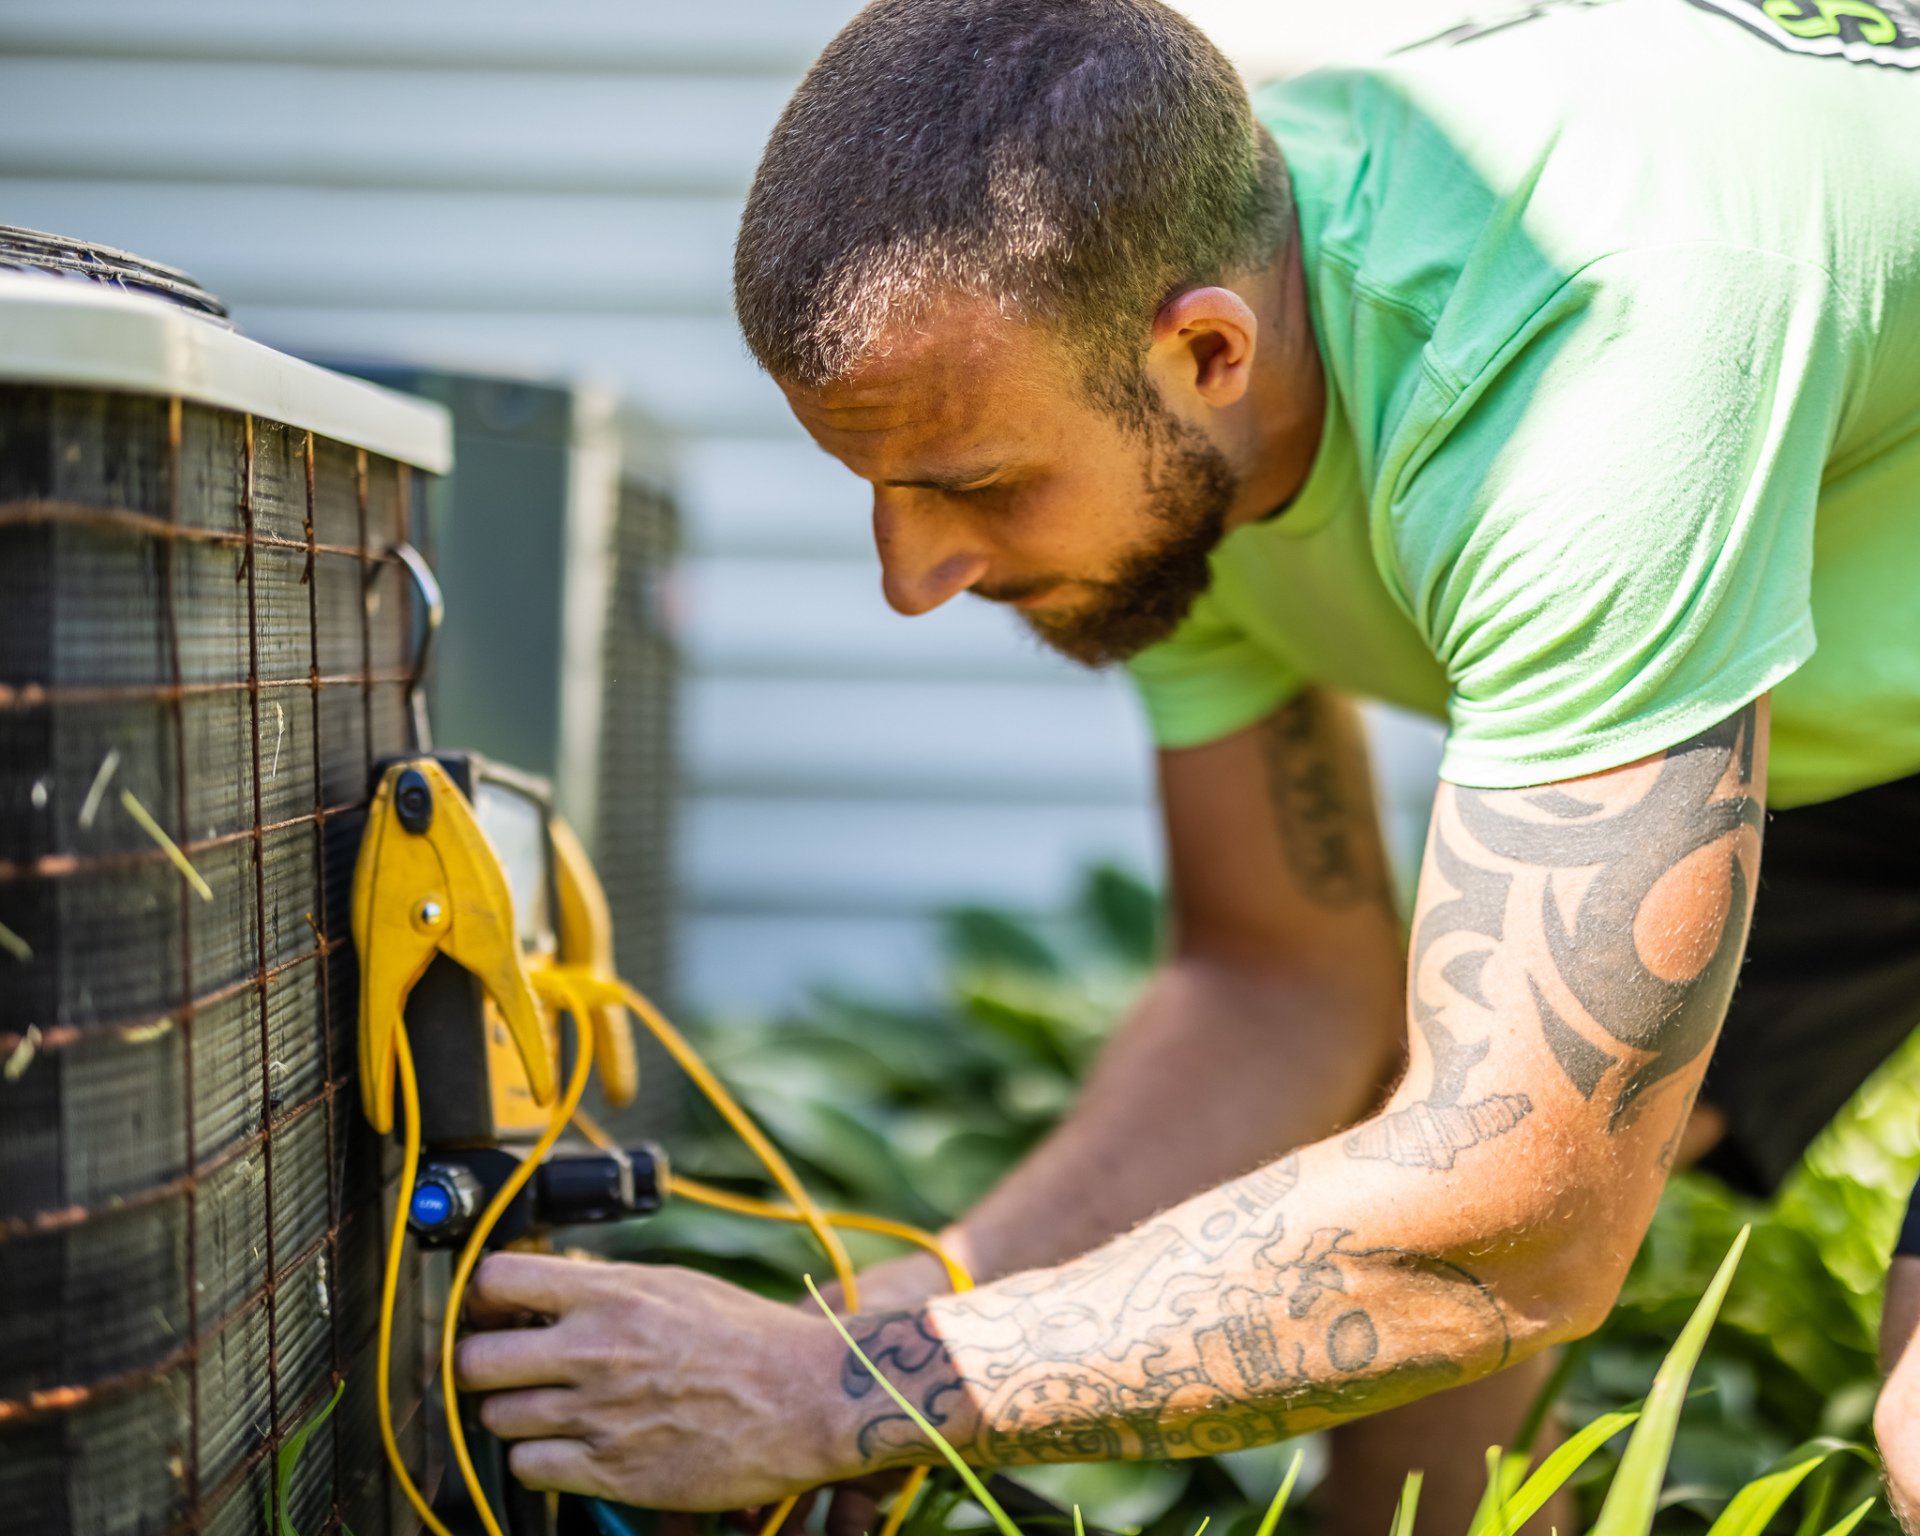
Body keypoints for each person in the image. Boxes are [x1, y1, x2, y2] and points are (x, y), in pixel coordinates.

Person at [452, 1, 1920, 1530]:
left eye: (974, 485)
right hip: (1821, 663)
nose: (912, 573)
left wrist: (839, 1396)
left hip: (1743, 530)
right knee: (1426, 1398)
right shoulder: (1158, 379)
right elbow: (1282, 987)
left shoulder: (1575, 366)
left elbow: (1524, 1227)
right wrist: (886, 1317)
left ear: (1207, 349)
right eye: (879, 491)